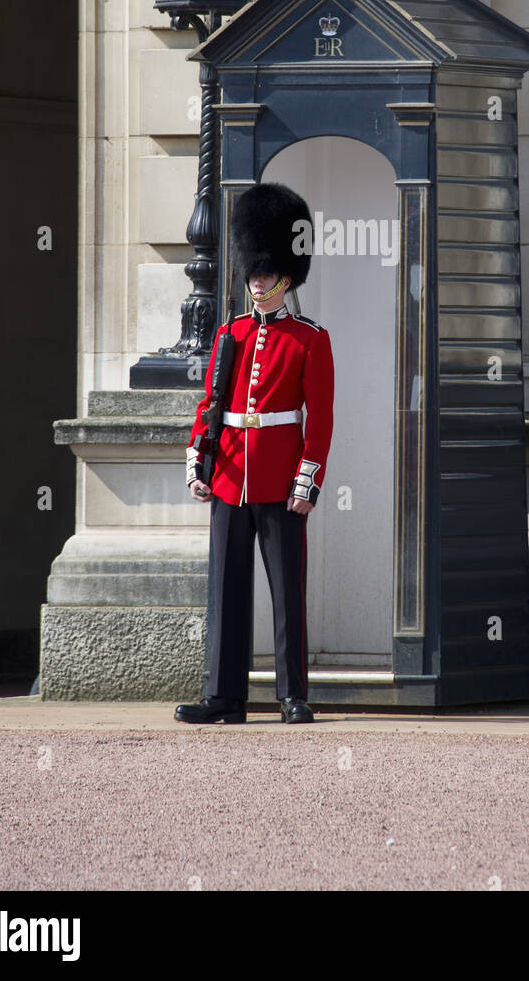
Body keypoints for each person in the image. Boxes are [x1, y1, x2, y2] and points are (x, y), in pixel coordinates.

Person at [175, 182, 335, 726]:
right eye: (253, 273)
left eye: (266, 274)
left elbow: (320, 419)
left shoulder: (310, 339)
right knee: (226, 588)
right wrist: (199, 459)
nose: (258, 282)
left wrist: (306, 481)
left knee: (287, 593)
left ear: (286, 278)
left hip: (279, 480)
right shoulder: (231, 333)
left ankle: (292, 694)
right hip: (230, 476)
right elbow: (213, 403)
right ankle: (224, 695)